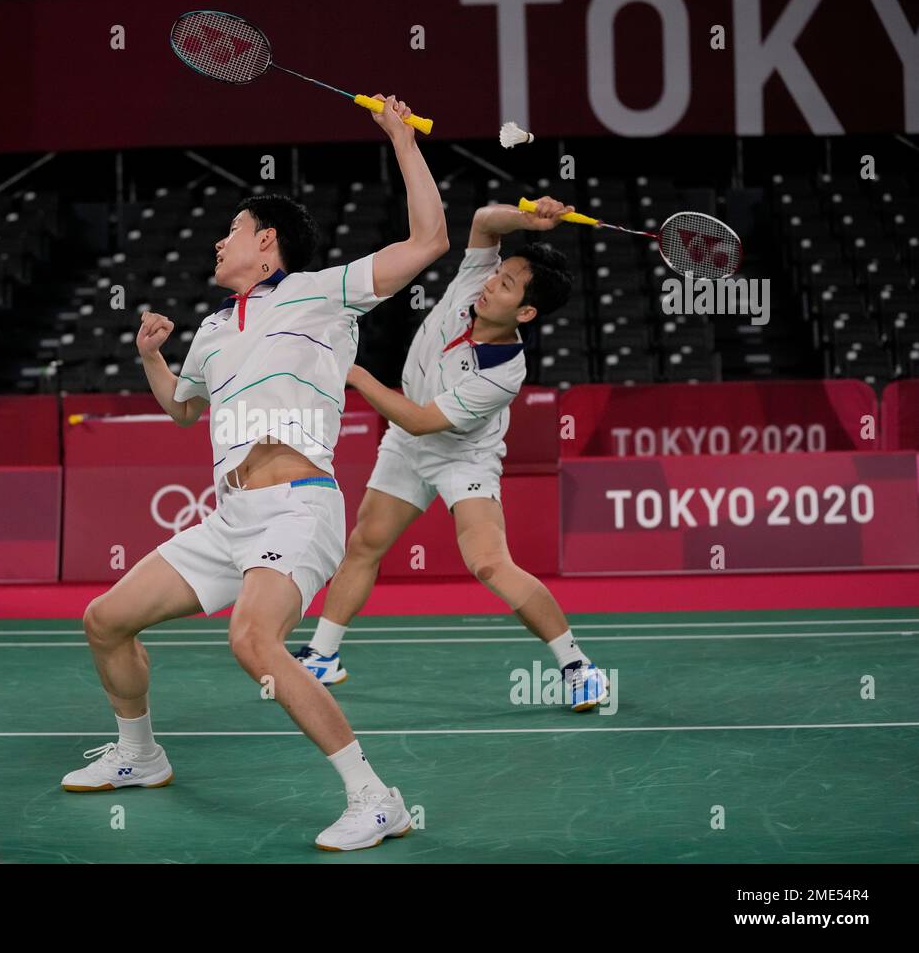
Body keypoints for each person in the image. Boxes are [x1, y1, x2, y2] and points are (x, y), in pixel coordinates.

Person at [60, 96, 448, 851]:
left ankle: (376, 797)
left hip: (299, 508)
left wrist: (400, 138)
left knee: (253, 639)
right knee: (104, 620)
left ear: (267, 244)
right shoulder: (209, 331)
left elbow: (429, 237)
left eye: (230, 230)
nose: (216, 240)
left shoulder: (322, 293)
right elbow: (179, 408)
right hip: (226, 517)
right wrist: (151, 356)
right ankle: (139, 755)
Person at [293, 196, 611, 712]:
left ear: (525, 312)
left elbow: (421, 419)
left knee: (489, 563)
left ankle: (578, 666)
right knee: (365, 543)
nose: (491, 283)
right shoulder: (474, 284)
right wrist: (526, 218)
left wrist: (354, 375)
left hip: (461, 456)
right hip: (407, 441)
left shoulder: (503, 374)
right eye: (497, 274)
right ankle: (322, 655)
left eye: (505, 285)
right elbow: (485, 220)